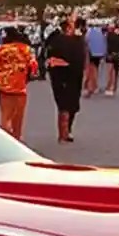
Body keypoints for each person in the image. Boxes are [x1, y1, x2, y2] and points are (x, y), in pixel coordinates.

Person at [0, 27, 38, 140]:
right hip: (20, 90)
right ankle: (17, 139)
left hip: (4, 90)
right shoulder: (25, 49)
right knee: (18, 119)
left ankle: (6, 140)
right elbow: (33, 68)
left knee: (5, 117)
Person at [45, 15, 85, 143]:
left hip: (75, 77)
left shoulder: (78, 40)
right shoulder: (57, 41)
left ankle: (68, 130)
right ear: (67, 27)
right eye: (72, 24)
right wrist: (59, 63)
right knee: (64, 106)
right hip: (61, 77)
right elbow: (50, 59)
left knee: (72, 106)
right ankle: (63, 133)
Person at [84, 22, 107, 96]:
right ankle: (94, 85)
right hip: (99, 53)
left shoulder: (89, 32)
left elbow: (86, 41)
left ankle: (91, 86)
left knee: (91, 69)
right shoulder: (100, 32)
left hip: (91, 53)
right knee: (95, 68)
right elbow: (104, 43)